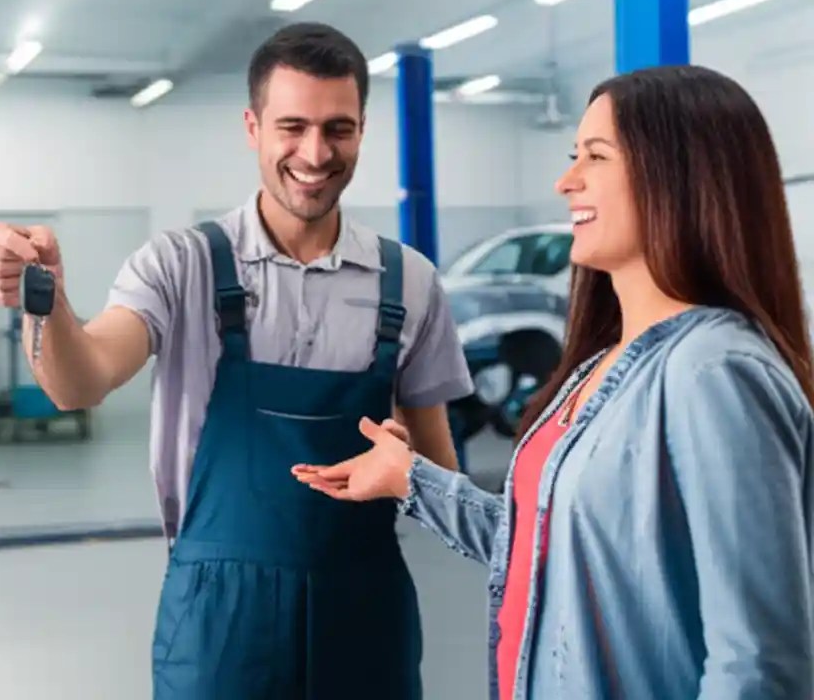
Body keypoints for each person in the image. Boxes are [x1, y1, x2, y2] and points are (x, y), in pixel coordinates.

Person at [0, 22, 474, 699]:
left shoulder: (410, 283)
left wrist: (407, 466)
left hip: (366, 616)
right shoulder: (180, 266)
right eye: (291, 127)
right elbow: (80, 380)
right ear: (252, 126)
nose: (315, 152)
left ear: (363, 129)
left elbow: (444, 477)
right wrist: (48, 301)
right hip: (217, 623)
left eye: (339, 129)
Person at [294, 63, 814, 700]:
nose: (566, 181)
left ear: (678, 177)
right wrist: (411, 480)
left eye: (595, 156)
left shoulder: (714, 372)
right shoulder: (599, 367)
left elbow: (759, 665)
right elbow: (547, 553)